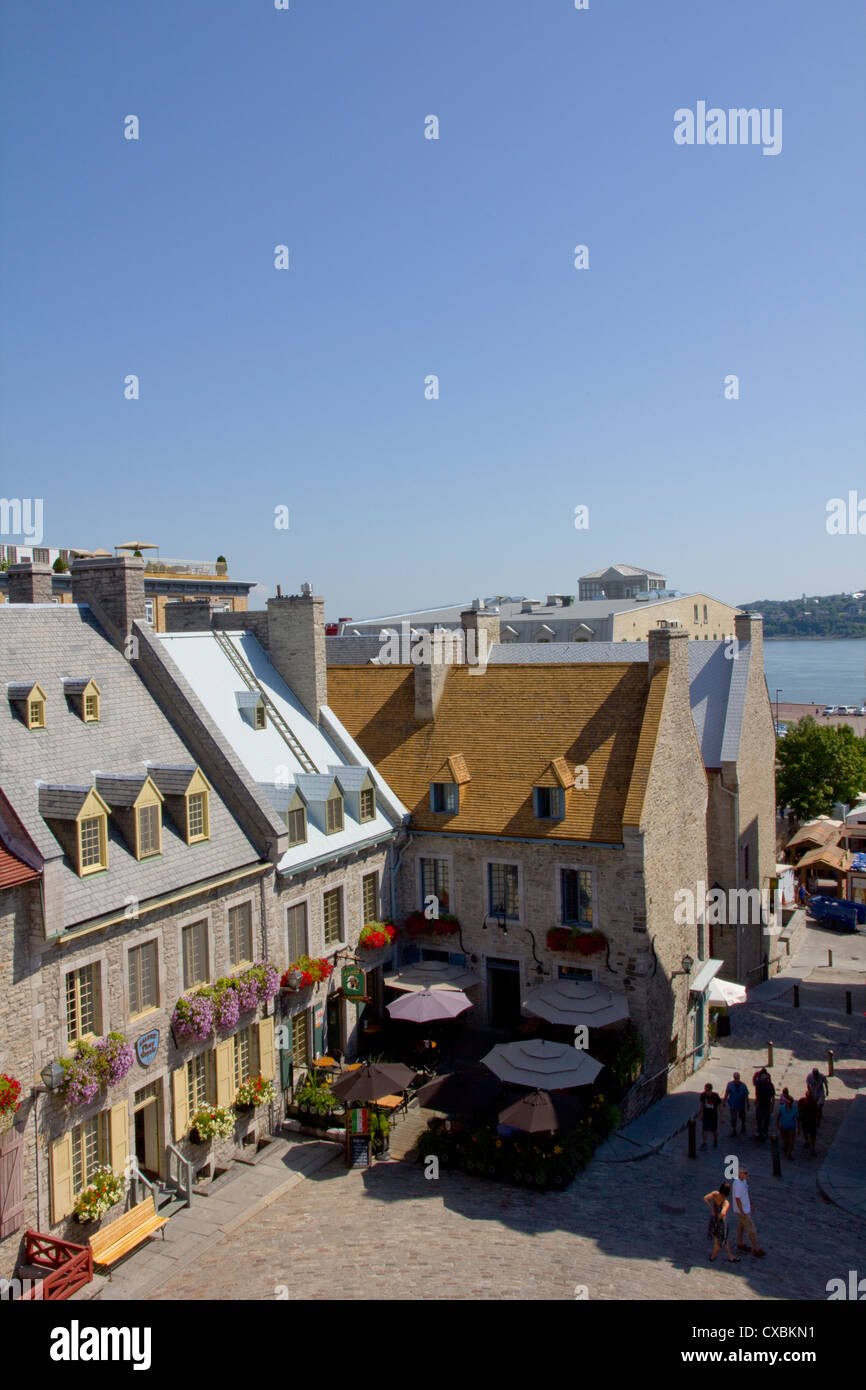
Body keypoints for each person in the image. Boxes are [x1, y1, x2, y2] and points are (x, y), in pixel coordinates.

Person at [730, 1167, 765, 1257]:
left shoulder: (743, 1181)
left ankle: (740, 1243)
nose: (746, 1174)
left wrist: (751, 1204)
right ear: (739, 1174)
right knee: (751, 1229)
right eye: (744, 1173)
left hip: (745, 1209)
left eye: (746, 1173)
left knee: (741, 1226)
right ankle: (756, 1249)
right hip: (743, 1211)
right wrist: (742, 1211)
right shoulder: (737, 1184)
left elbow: (746, 1192)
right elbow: (737, 1199)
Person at [703, 1181, 740, 1263]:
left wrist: (712, 1208)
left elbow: (705, 1198)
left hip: (713, 1219)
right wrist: (720, 1215)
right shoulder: (725, 1202)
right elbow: (723, 1213)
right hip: (721, 1223)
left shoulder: (715, 1194)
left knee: (723, 1239)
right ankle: (713, 1256)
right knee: (719, 1240)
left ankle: (730, 1256)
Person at [723, 1072, 749, 1137]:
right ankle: (734, 1129)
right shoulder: (730, 1085)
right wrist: (724, 1101)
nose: (736, 1079)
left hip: (741, 1104)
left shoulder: (743, 1085)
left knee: (742, 1116)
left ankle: (743, 1125)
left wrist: (748, 1103)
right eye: (735, 1078)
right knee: (733, 1118)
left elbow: (746, 1095)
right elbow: (726, 1093)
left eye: (737, 1078)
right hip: (733, 1104)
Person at [753, 1067, 775, 1140]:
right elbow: (756, 1091)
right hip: (760, 1103)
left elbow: (773, 1097)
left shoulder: (770, 1085)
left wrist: (772, 1106)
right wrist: (756, 1101)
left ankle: (765, 1132)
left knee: (766, 1119)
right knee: (759, 1118)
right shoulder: (759, 1083)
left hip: (767, 1104)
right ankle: (759, 1131)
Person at [698, 1082, 722, 1150]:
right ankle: (704, 1143)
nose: (705, 1091)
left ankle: (715, 1140)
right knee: (704, 1130)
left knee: (714, 1130)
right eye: (705, 1090)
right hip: (706, 1115)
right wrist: (701, 1113)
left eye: (707, 1090)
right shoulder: (703, 1095)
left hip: (713, 1116)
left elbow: (719, 1106)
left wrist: (722, 1117)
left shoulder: (715, 1096)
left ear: (710, 1090)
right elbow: (702, 1104)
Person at [776, 1087, 799, 1158]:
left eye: (790, 1102)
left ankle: (789, 1153)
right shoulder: (782, 1108)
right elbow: (778, 1116)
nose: (788, 1103)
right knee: (785, 1139)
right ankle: (785, 1147)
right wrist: (778, 1124)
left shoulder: (795, 1109)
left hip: (792, 1127)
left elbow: (798, 1119)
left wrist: (799, 1129)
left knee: (791, 1141)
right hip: (784, 1126)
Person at [798, 1090, 818, 1155]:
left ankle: (813, 1148)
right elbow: (799, 1110)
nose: (809, 1097)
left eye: (810, 1096)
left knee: (813, 1135)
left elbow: (817, 1112)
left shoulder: (814, 1102)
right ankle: (806, 1141)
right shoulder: (801, 1101)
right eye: (808, 1096)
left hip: (812, 1121)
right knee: (805, 1133)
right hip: (804, 1121)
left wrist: (817, 1120)